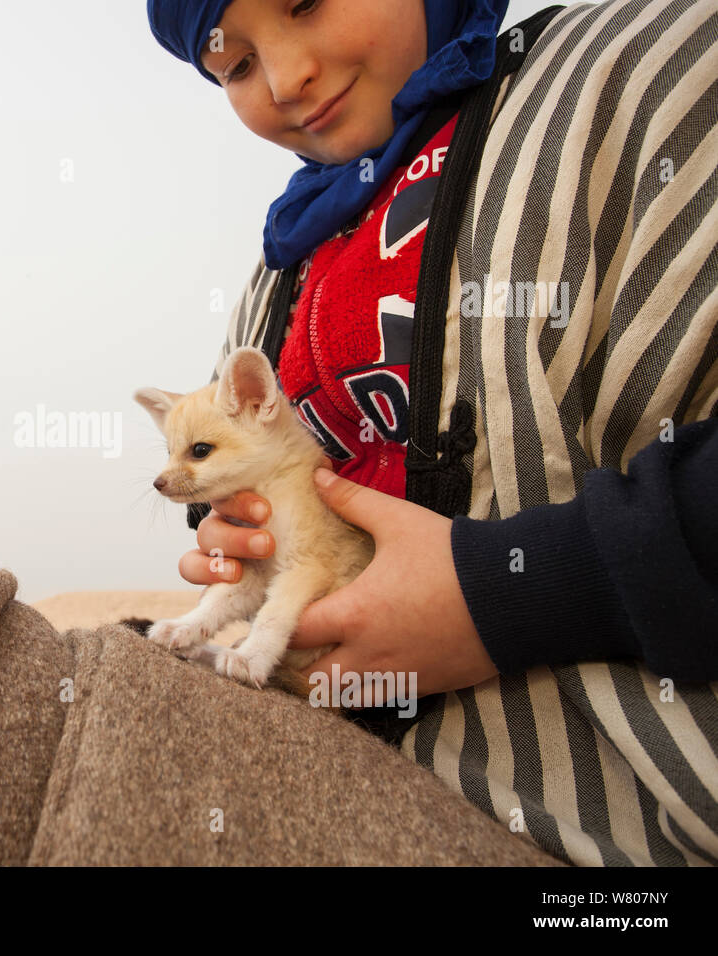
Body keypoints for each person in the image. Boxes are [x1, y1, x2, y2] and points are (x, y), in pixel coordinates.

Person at [148, 0, 717, 865]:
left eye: (308, 1)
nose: (289, 74)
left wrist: (508, 591)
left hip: (609, 826)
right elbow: (242, 463)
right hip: (330, 761)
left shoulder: (645, 71)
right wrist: (228, 527)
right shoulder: (283, 266)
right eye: (233, 65)